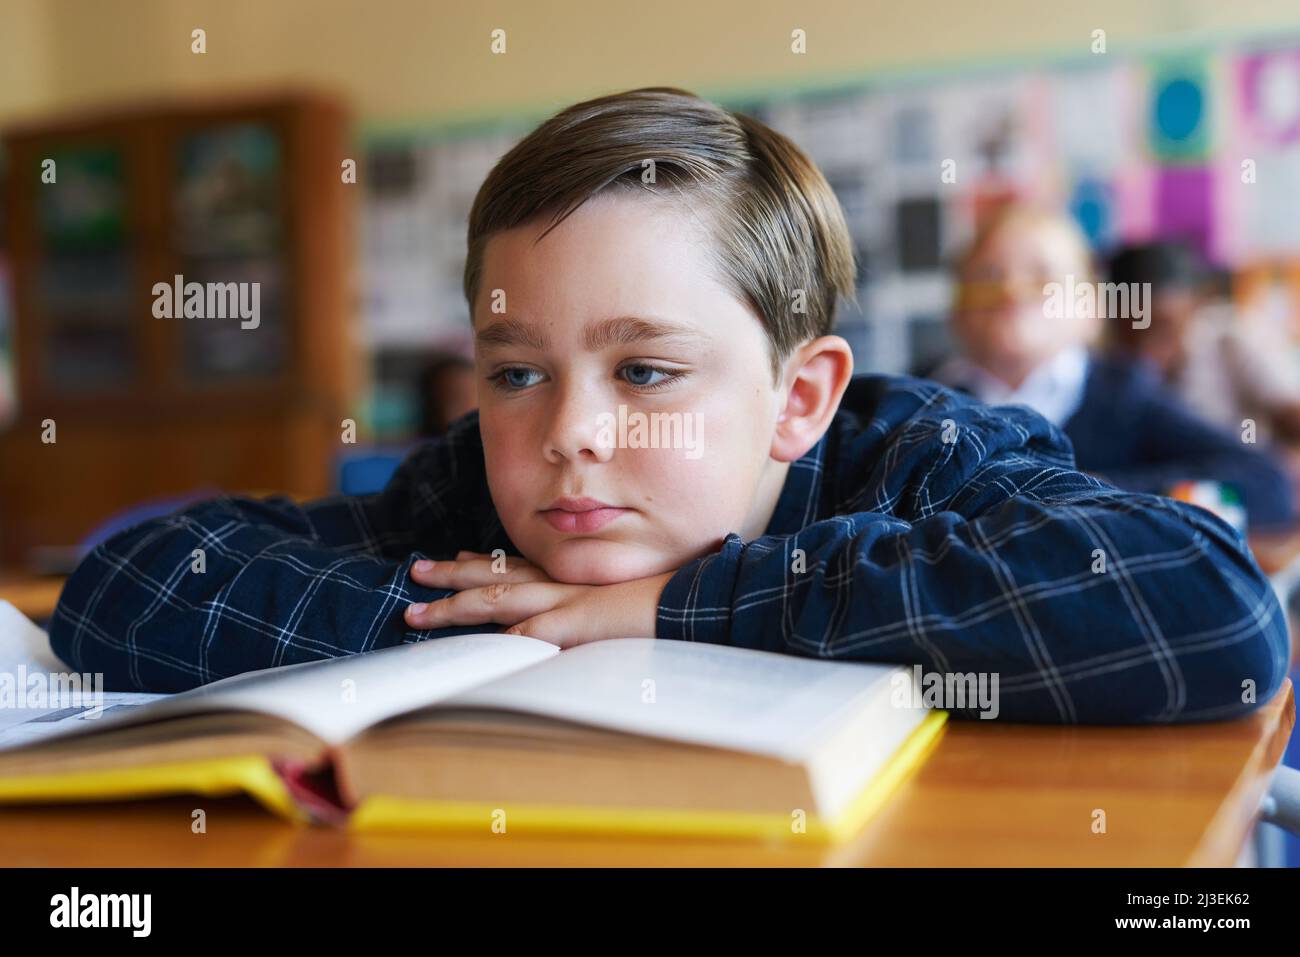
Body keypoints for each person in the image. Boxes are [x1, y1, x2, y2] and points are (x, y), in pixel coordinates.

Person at [49, 89, 1288, 724]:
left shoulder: (923, 454)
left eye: (645, 371)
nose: (570, 432)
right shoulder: (481, 496)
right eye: (515, 369)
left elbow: (1207, 612)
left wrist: (656, 609)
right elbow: (131, 581)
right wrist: (510, 632)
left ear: (797, 398)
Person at [930, 203, 1295, 531]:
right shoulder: (922, 402)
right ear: (956, 311)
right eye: (988, 275)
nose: (1012, 290)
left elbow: (1267, 487)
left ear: (1090, 309)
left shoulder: (1125, 396)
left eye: (1042, 275)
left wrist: (1087, 492)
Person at [1106, 241, 1300, 449]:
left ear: (1195, 305)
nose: (1146, 351)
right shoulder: (1103, 367)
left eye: (1163, 329)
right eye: (1128, 333)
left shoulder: (1231, 339)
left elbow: (1288, 414)